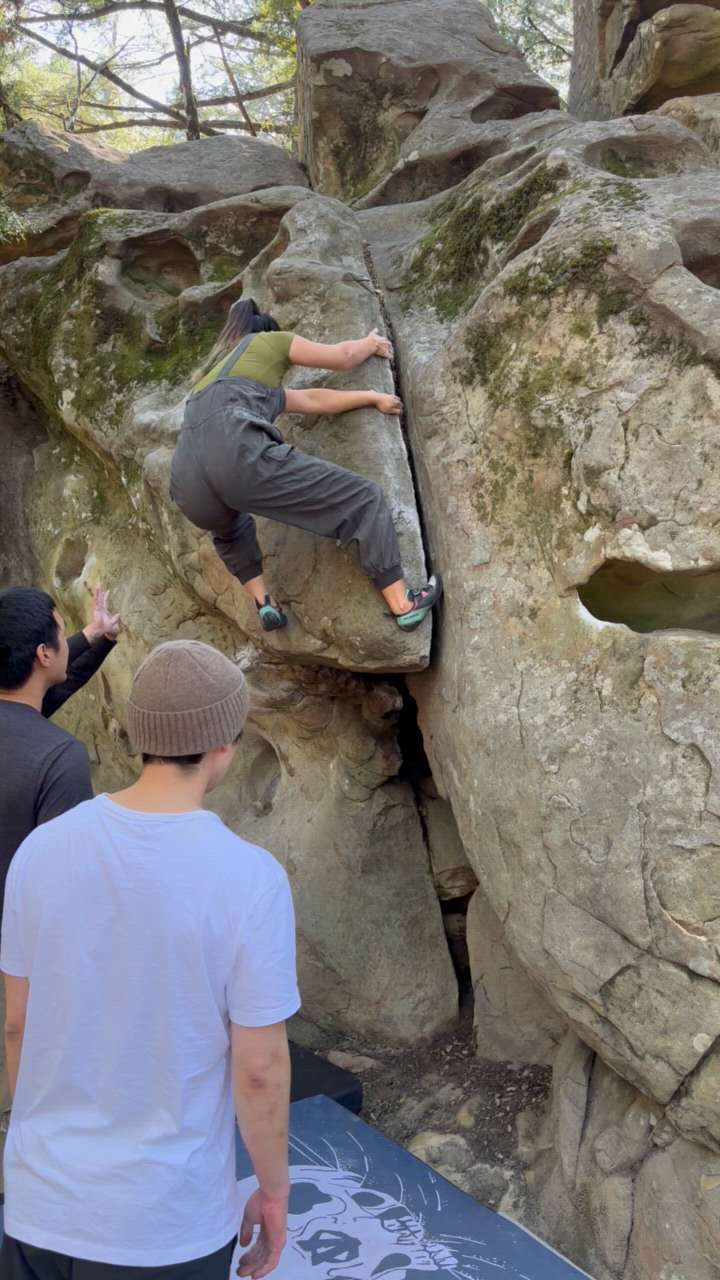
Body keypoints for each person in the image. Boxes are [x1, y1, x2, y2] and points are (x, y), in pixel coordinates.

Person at [0, 639, 300, 1280]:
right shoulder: (251, 879)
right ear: (225, 742)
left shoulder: (40, 852)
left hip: (39, 1201)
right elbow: (259, 1068)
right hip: (162, 1220)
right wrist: (273, 1192)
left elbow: (16, 1024)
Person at [170, 297, 442, 633]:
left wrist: (372, 398)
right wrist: (370, 343)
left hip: (185, 483)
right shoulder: (269, 341)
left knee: (228, 531)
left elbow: (312, 400)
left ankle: (264, 604)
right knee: (363, 498)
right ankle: (403, 603)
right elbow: (342, 357)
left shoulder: (210, 383)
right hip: (236, 453)